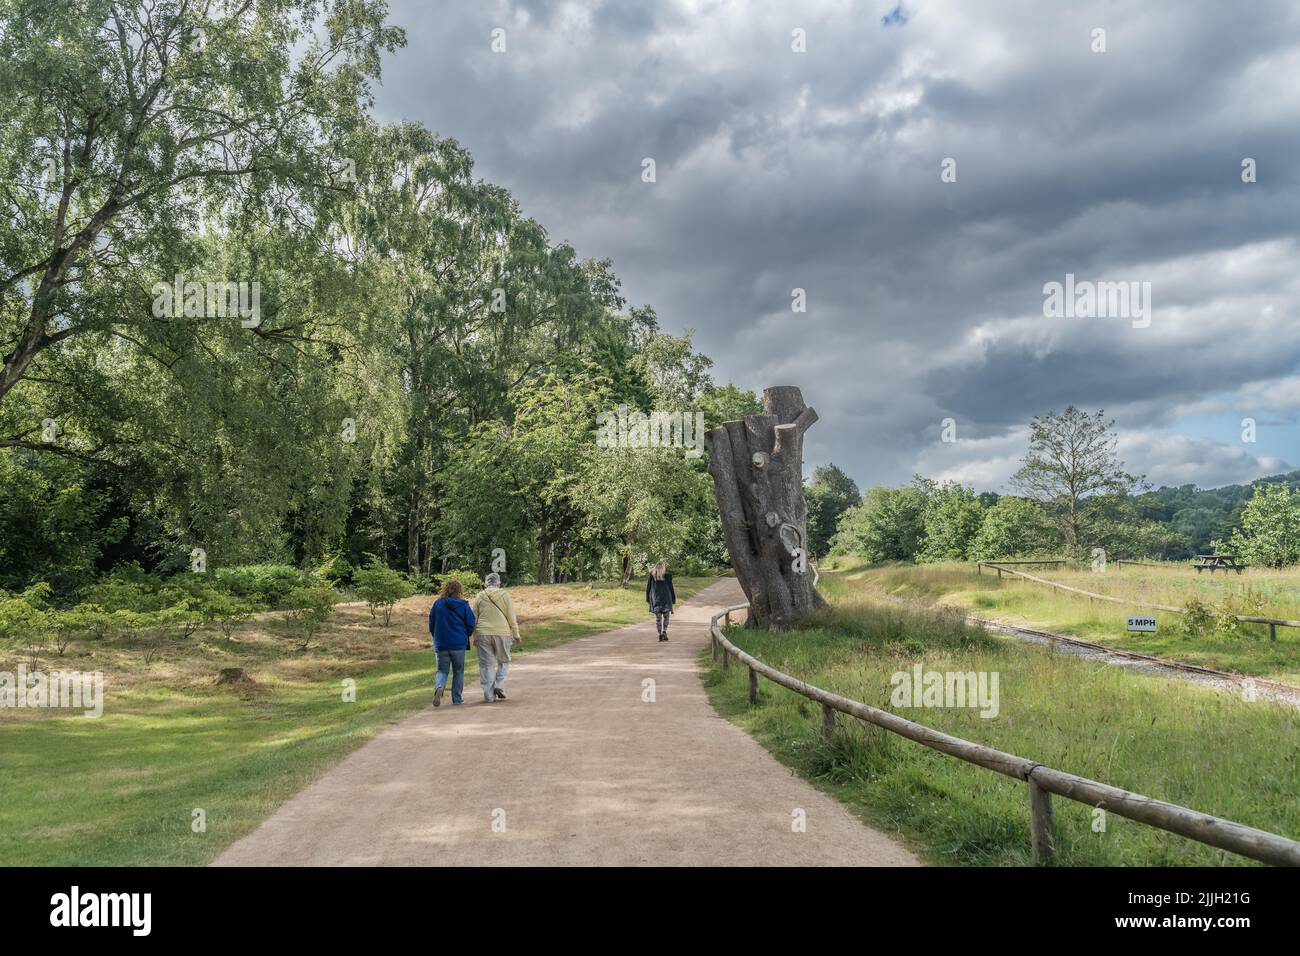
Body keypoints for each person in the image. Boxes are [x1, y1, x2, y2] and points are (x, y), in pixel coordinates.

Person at [472, 572, 521, 702]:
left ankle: (488, 696)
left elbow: (474, 618)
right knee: (504, 660)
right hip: (502, 632)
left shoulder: (479, 596)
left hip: (483, 633)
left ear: (485, 583)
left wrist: (474, 635)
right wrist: (516, 634)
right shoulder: (504, 595)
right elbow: (511, 616)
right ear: (499, 583)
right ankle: (499, 685)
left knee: (486, 665)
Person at [429, 578, 475, 707]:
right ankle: (457, 699)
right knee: (458, 671)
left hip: (441, 643)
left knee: (442, 671)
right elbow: (471, 622)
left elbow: (431, 623)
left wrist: (436, 635)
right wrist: (467, 634)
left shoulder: (437, 604)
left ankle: (439, 687)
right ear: (459, 590)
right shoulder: (464, 605)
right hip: (459, 643)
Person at [646, 560, 676, 642]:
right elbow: (671, 588)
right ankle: (664, 632)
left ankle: (659, 634)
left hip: (656, 600)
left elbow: (648, 588)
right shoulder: (667, 576)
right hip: (666, 599)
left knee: (658, 618)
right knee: (666, 617)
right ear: (663, 568)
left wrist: (648, 599)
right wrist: (673, 599)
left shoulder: (652, 576)